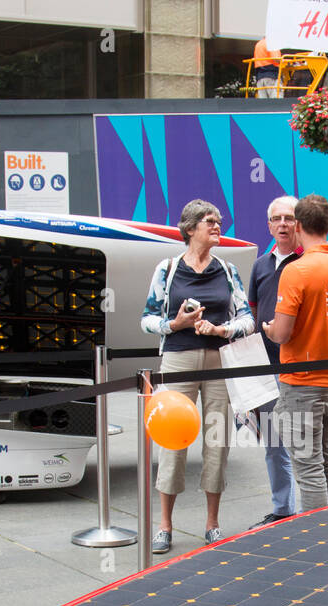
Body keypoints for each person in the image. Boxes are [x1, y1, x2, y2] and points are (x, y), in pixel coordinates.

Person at [140, 199, 254, 554]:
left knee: (217, 439)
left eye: (219, 221)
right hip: (177, 359)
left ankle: (212, 524)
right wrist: (176, 324)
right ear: (190, 229)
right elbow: (146, 318)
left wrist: (223, 330)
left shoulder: (228, 269)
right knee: (172, 440)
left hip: (220, 360)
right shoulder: (168, 269)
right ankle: (164, 526)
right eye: (210, 221)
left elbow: (247, 318)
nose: (217, 226)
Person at [265, 194, 328, 511]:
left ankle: (316, 541)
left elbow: (282, 333)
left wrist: (267, 328)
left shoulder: (297, 271)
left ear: (300, 225)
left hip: (301, 381)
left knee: (308, 469)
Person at [245, 195, 301, 528]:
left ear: (300, 223)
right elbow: (253, 313)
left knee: (304, 440)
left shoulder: (306, 263)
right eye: (276, 218)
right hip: (266, 368)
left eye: (289, 218)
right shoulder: (260, 265)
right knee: (274, 443)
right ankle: (282, 509)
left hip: (299, 367)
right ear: (269, 225)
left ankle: (312, 509)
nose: (282, 224)